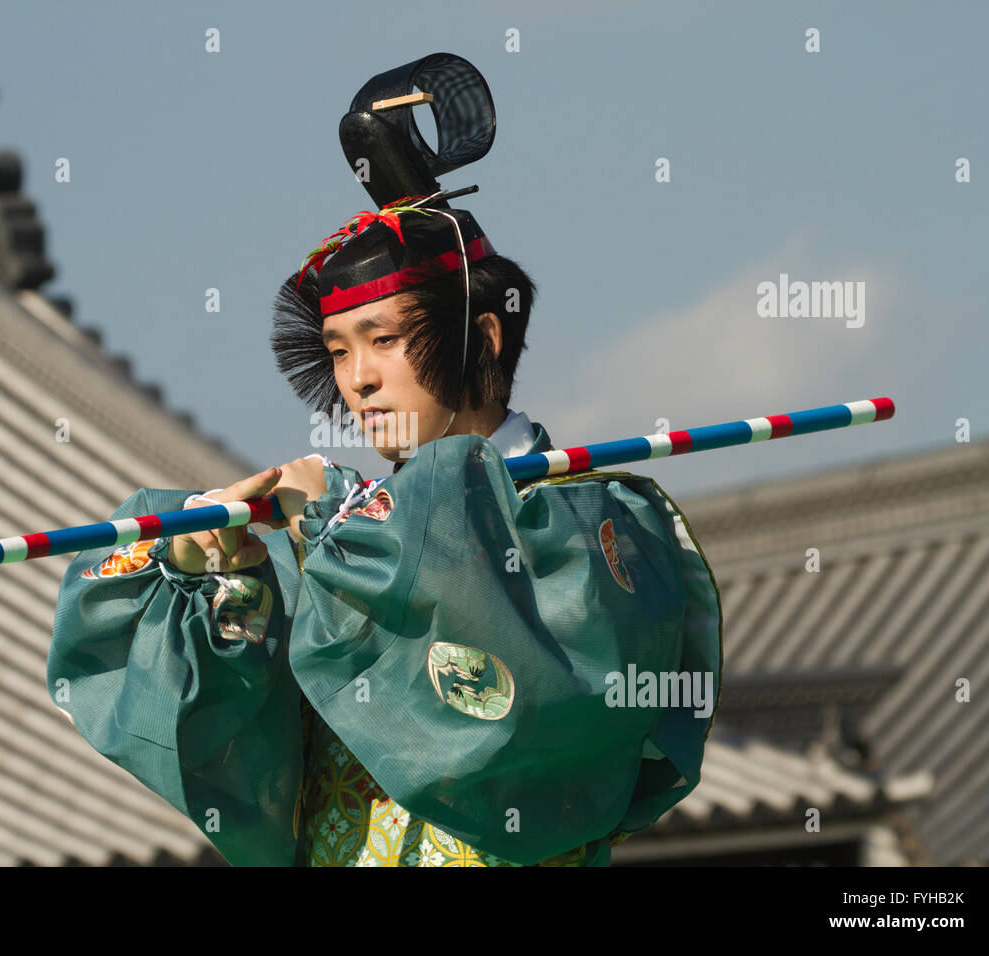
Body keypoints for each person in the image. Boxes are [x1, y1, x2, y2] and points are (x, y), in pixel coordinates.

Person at [48, 193, 722, 867]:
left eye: (385, 341)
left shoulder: (586, 521)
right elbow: (236, 744)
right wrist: (213, 579)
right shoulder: (340, 538)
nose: (358, 379)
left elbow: (549, 709)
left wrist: (337, 534)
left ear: (483, 337)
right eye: (339, 352)